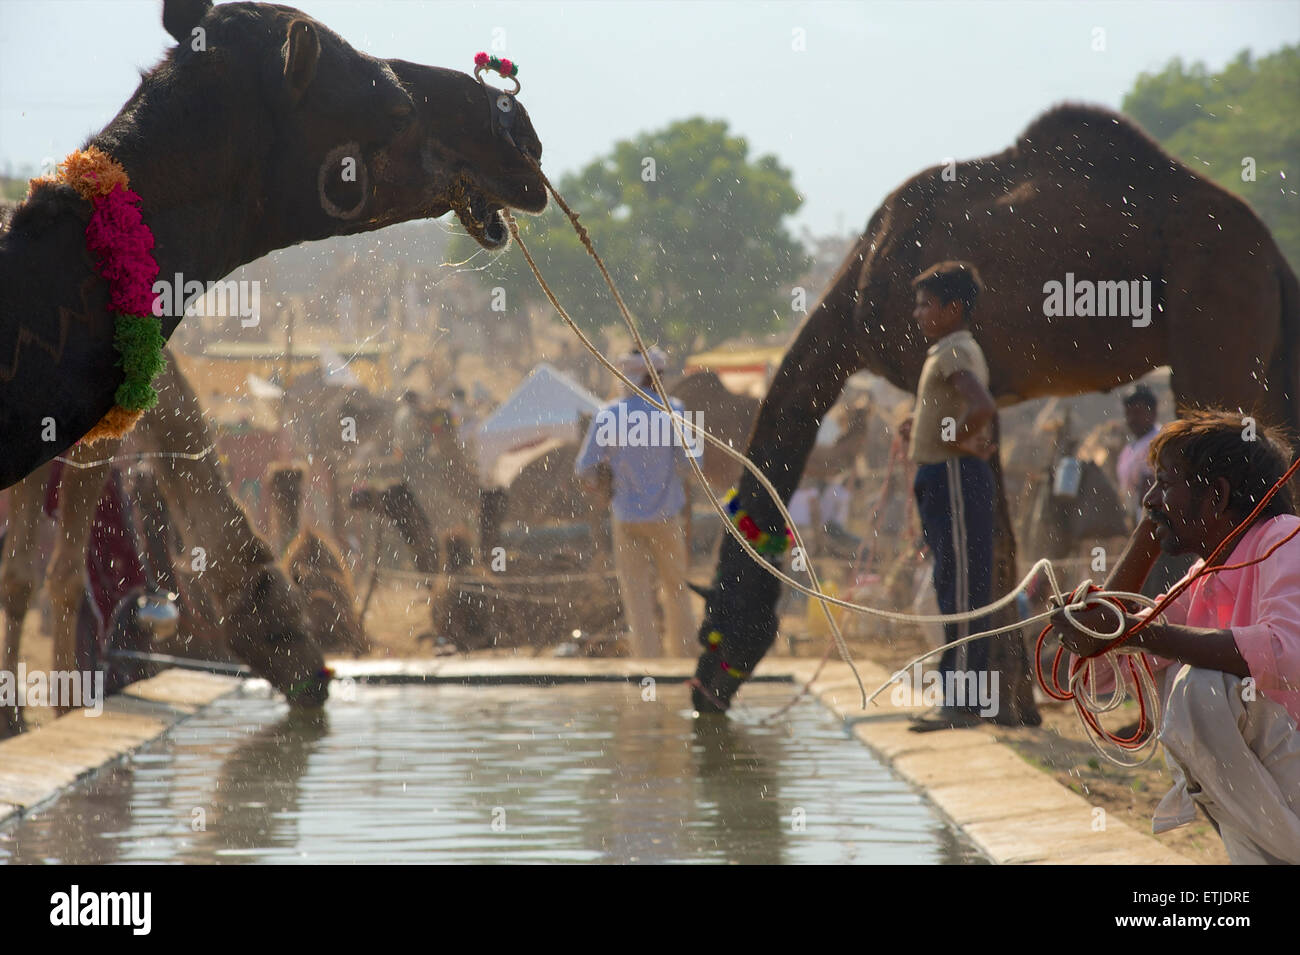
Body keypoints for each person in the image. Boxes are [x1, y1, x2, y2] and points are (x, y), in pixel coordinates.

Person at [1050, 410, 1300, 864]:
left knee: (1199, 689)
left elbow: (1287, 656)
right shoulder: (1202, 578)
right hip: (1276, 787)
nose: (1149, 496)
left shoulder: (1286, 539)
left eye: (1165, 482)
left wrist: (1145, 636)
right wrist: (1149, 535)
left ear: (1217, 495)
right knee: (1190, 678)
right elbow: (1102, 678)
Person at [900, 261, 1000, 731]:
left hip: (955, 477)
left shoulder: (955, 351)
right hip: (942, 477)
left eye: (926, 305)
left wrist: (958, 438)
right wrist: (922, 429)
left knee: (960, 590)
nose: (917, 313)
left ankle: (960, 704)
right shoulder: (946, 350)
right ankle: (959, 698)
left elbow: (981, 406)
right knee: (952, 585)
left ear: (953, 308)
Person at [574, 348, 698, 657]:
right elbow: (690, 466)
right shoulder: (677, 411)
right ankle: (684, 659)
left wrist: (605, 479)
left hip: (626, 518)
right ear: (652, 376)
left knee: (636, 595)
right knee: (677, 590)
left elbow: (583, 469)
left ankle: (648, 664)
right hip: (667, 516)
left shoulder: (608, 414)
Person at [1115, 384, 1160, 525]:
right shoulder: (1128, 449)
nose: (1132, 419)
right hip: (1135, 519)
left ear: (1152, 413)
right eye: (1128, 414)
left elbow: (1151, 487)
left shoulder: (1158, 441)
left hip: (1153, 521)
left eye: (1137, 413)